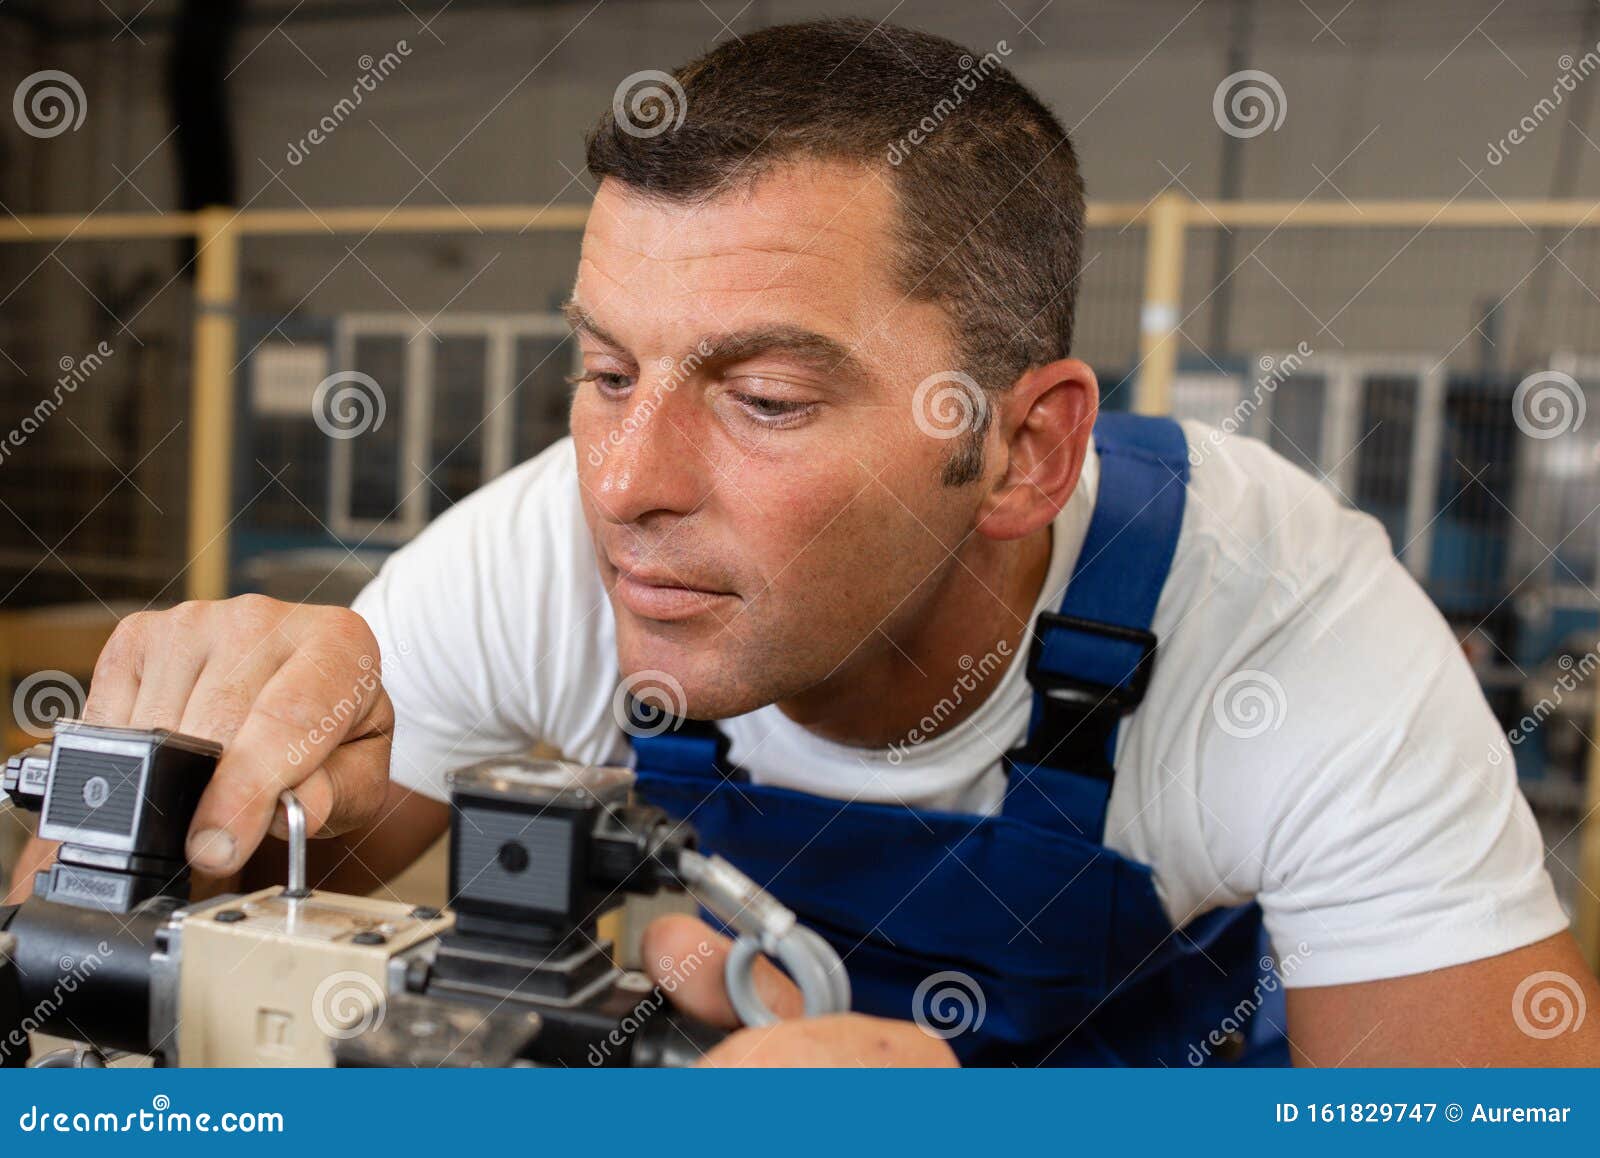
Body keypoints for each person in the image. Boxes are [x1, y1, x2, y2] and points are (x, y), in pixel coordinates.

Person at [10, 18, 1598, 1067]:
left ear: (1023, 450)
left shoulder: (1292, 638)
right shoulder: (548, 556)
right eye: (607, 370)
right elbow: (120, 977)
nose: (625, 482)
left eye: (764, 397)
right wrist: (170, 803)